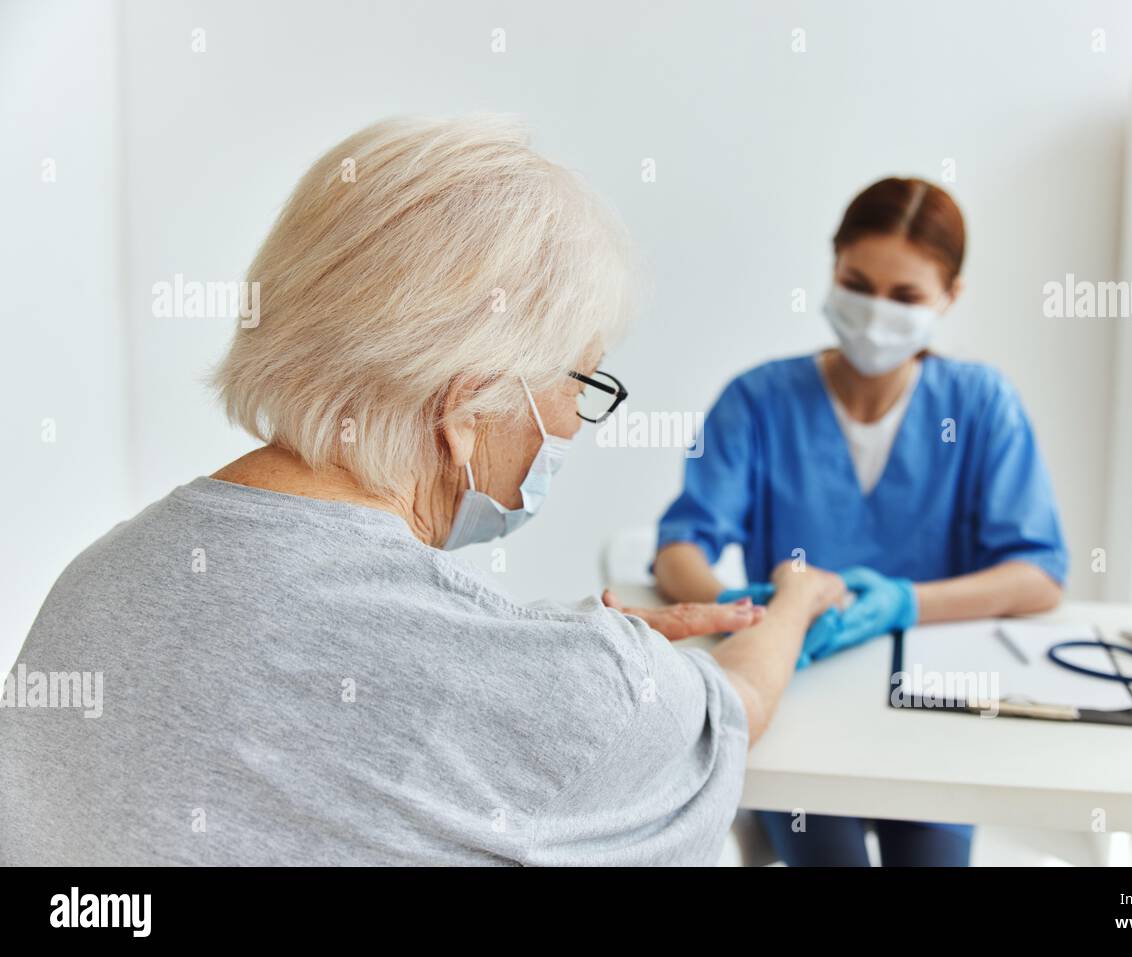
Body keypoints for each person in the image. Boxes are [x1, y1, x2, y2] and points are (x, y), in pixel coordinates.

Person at [0, 116, 849, 866]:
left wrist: (541, 656)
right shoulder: (581, 691)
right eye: (582, 382)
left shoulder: (96, 579)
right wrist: (797, 600)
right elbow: (736, 700)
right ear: (469, 403)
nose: (579, 422)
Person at [653, 177, 1069, 867]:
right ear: (833, 265)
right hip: (795, 699)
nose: (877, 313)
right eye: (858, 282)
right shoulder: (756, 400)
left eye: (905, 296)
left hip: (932, 714)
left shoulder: (981, 404)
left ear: (949, 296)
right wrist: (745, 610)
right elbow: (679, 547)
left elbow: (1038, 574)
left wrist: (903, 602)